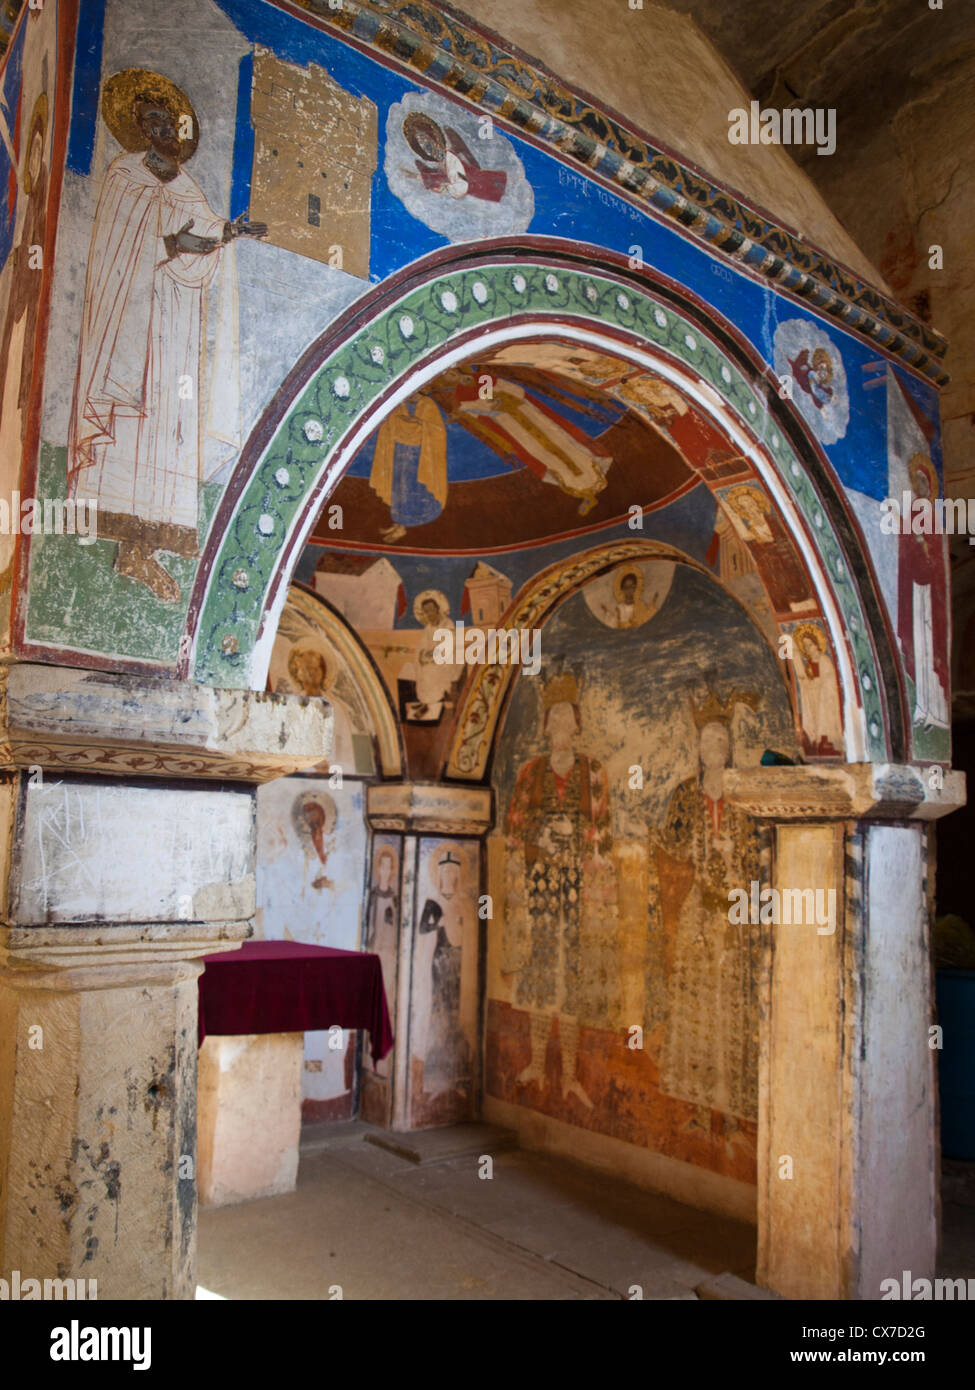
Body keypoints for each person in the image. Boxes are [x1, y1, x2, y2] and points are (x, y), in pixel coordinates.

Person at [67, 70, 266, 602]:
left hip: (175, 324)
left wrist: (228, 233)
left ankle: (147, 549)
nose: (163, 131)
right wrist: (179, 241)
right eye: (153, 121)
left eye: (170, 123)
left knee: (170, 426)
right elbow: (119, 244)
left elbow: (199, 243)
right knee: (130, 423)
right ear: (138, 126)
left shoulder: (187, 186)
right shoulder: (125, 174)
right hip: (131, 323)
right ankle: (121, 541)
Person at [502, 672, 613, 1109]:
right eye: (555, 717)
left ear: (577, 723)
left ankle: (569, 1075)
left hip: (580, 891)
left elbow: (605, 831)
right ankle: (533, 1063)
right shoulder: (530, 772)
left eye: (569, 717)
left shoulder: (594, 772)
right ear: (546, 724)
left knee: (571, 980)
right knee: (537, 974)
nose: (562, 725)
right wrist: (541, 834)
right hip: (539, 888)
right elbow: (513, 825)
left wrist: (579, 830)